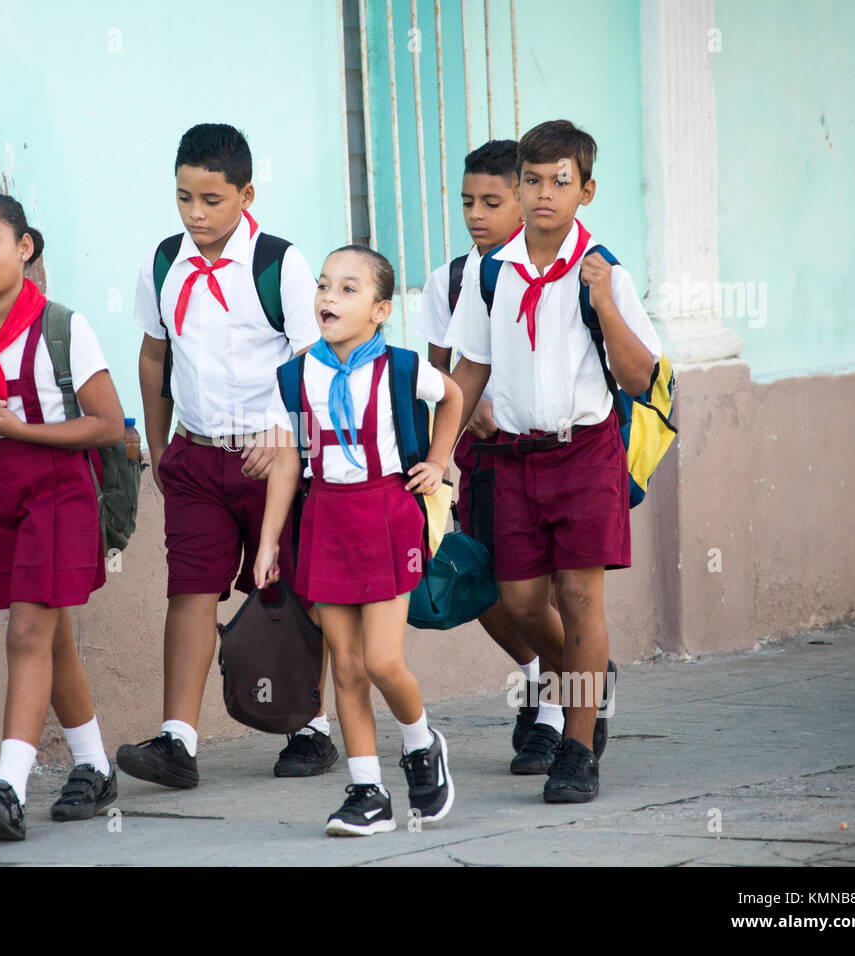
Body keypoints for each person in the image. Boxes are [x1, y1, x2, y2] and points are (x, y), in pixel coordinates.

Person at [117, 123, 338, 786]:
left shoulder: (281, 264)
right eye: (184, 198)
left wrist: (288, 439)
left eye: (211, 200)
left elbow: (313, 360)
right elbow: (155, 355)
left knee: (290, 588)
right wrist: (160, 447)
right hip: (198, 456)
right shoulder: (163, 262)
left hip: (273, 460)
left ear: (245, 193)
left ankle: (310, 727)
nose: (195, 214)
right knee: (188, 588)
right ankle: (176, 743)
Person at [447, 120, 662, 802]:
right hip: (511, 458)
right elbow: (471, 366)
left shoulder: (603, 270)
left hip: (584, 453)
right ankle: (586, 679)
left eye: (559, 182)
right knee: (517, 599)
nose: (544, 194)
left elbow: (638, 377)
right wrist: (433, 452)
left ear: (585, 190)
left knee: (578, 595)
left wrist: (601, 296)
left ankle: (577, 747)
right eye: (532, 181)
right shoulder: (491, 272)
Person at [0, 193, 124, 840]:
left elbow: (104, 425)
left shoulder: (63, 328)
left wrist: (21, 429)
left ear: (25, 248)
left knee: (26, 633)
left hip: (58, 487)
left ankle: (7, 787)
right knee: (50, 632)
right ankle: (95, 767)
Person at [255, 245, 463, 836]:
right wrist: (271, 541)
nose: (328, 297)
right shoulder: (294, 375)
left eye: (348, 289)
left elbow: (451, 396)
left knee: (382, 660)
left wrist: (438, 459)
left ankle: (421, 745)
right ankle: (368, 790)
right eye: (324, 286)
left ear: (380, 310)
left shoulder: (401, 366)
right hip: (327, 519)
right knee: (346, 668)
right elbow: (289, 464)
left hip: (387, 513)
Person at [414, 140, 569, 773]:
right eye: (467, 202)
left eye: (492, 201)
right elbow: (439, 372)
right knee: (480, 582)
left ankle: (562, 710)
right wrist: (441, 446)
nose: (477, 214)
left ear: (525, 201)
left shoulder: (562, 271)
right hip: (479, 459)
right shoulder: (449, 281)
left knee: (549, 588)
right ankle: (540, 675)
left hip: (554, 454)